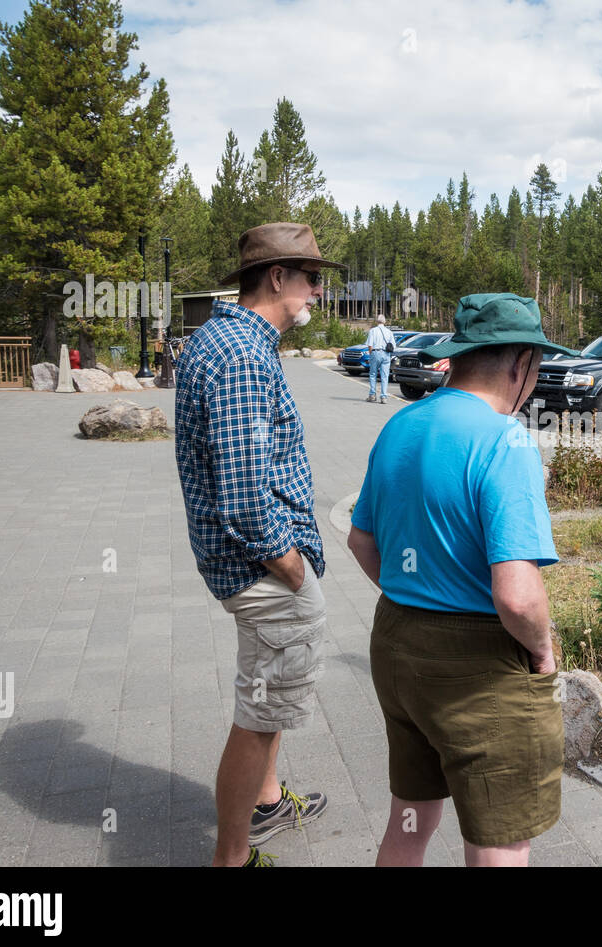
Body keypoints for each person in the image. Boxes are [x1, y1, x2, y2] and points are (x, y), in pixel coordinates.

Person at [347, 293, 579, 867]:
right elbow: (517, 596)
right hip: (480, 669)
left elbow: (361, 540)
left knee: (410, 814)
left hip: (398, 643)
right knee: (500, 835)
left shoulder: (401, 424)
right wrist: (544, 654)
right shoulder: (508, 440)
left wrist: (416, 598)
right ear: (521, 363)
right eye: (538, 364)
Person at [174, 222, 345, 867]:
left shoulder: (222, 339)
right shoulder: (244, 351)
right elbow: (244, 494)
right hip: (263, 570)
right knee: (260, 712)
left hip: (246, 564)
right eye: (311, 280)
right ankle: (232, 856)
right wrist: (292, 566)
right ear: (277, 279)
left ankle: (267, 802)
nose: (317, 294)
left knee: (270, 700)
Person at [365, 315, 397, 403]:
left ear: (377, 321)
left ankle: (372, 395)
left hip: (376, 352)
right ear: (384, 322)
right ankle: (384, 397)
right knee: (385, 376)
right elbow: (393, 345)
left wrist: (371, 354)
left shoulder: (373, 331)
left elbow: (370, 345)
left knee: (373, 374)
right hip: (386, 354)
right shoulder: (389, 332)